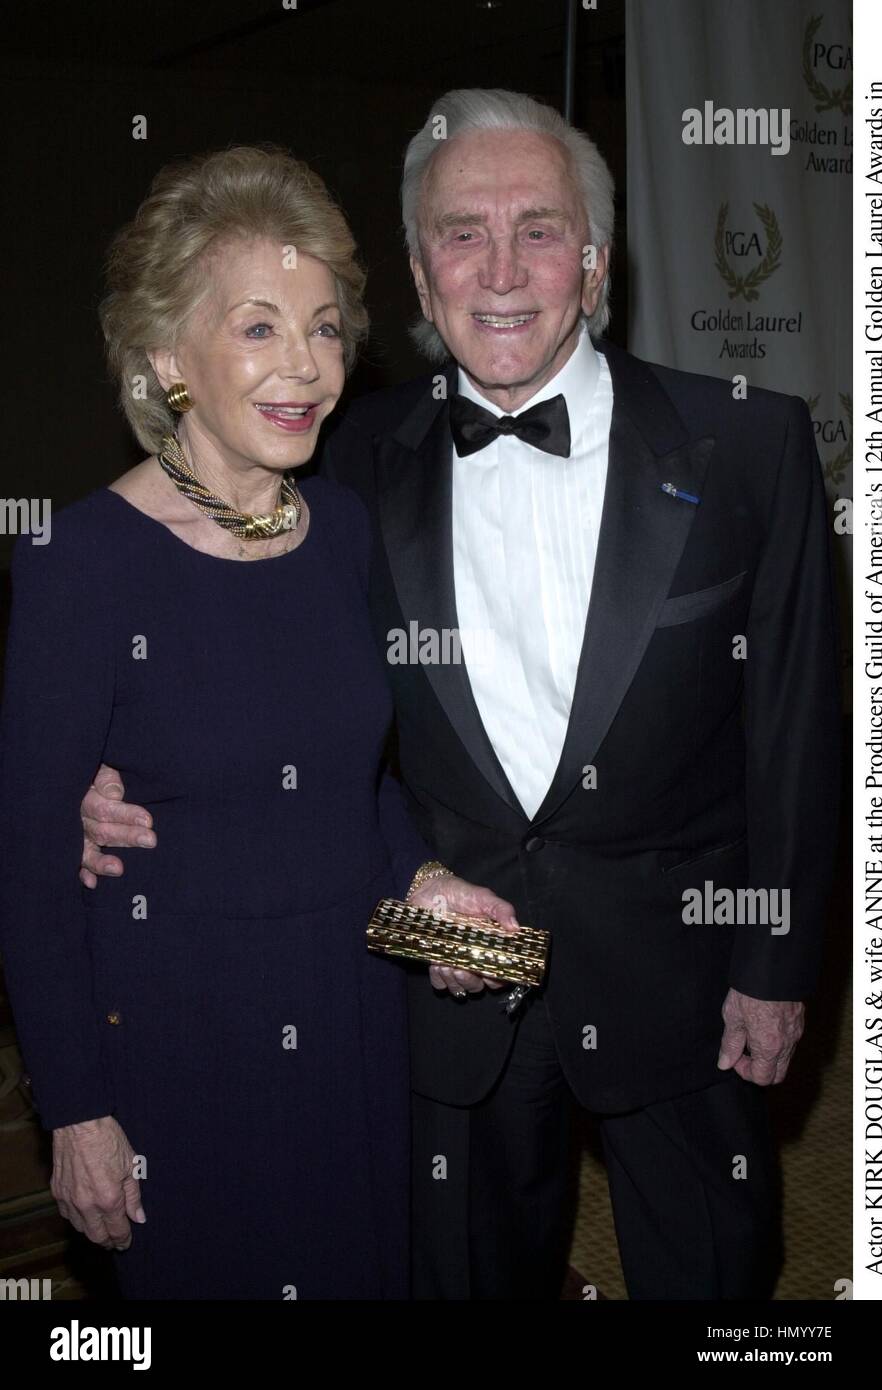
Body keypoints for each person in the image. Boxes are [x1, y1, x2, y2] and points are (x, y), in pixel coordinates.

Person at [79, 90, 841, 1301]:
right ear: (421, 280)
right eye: (459, 232)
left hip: (687, 979)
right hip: (439, 980)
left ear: (595, 263)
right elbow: (232, 659)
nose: (499, 269)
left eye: (538, 228)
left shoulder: (747, 445)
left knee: (720, 1277)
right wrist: (109, 776)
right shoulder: (336, 464)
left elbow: (800, 727)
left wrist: (781, 960)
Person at [0, 144, 514, 1301]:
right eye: (258, 328)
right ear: (168, 357)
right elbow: (31, 868)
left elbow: (353, 778)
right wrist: (76, 1109)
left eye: (326, 328)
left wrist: (423, 884)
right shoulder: (81, 562)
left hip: (349, 1022)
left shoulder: (337, 528)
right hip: (182, 1044)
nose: (307, 367)